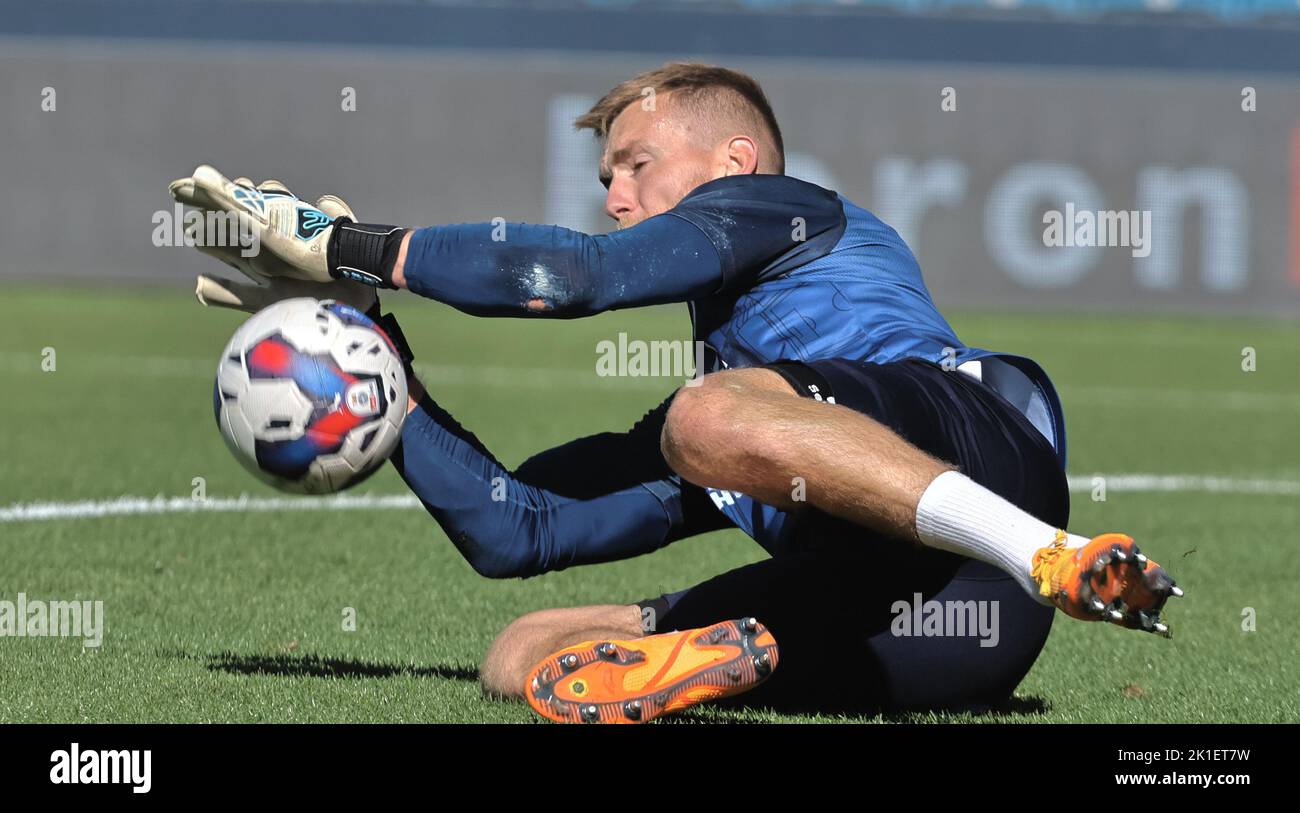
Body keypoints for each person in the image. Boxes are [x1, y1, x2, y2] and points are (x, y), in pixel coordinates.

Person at [170, 62, 1181, 725]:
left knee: (709, 420)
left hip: (981, 468)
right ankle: (736, 654)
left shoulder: (786, 212)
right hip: (945, 639)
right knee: (524, 653)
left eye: (636, 165)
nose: (613, 198)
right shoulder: (738, 415)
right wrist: (365, 343)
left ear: (732, 162)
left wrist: (344, 243)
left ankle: (1051, 554)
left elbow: (573, 278)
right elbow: (515, 531)